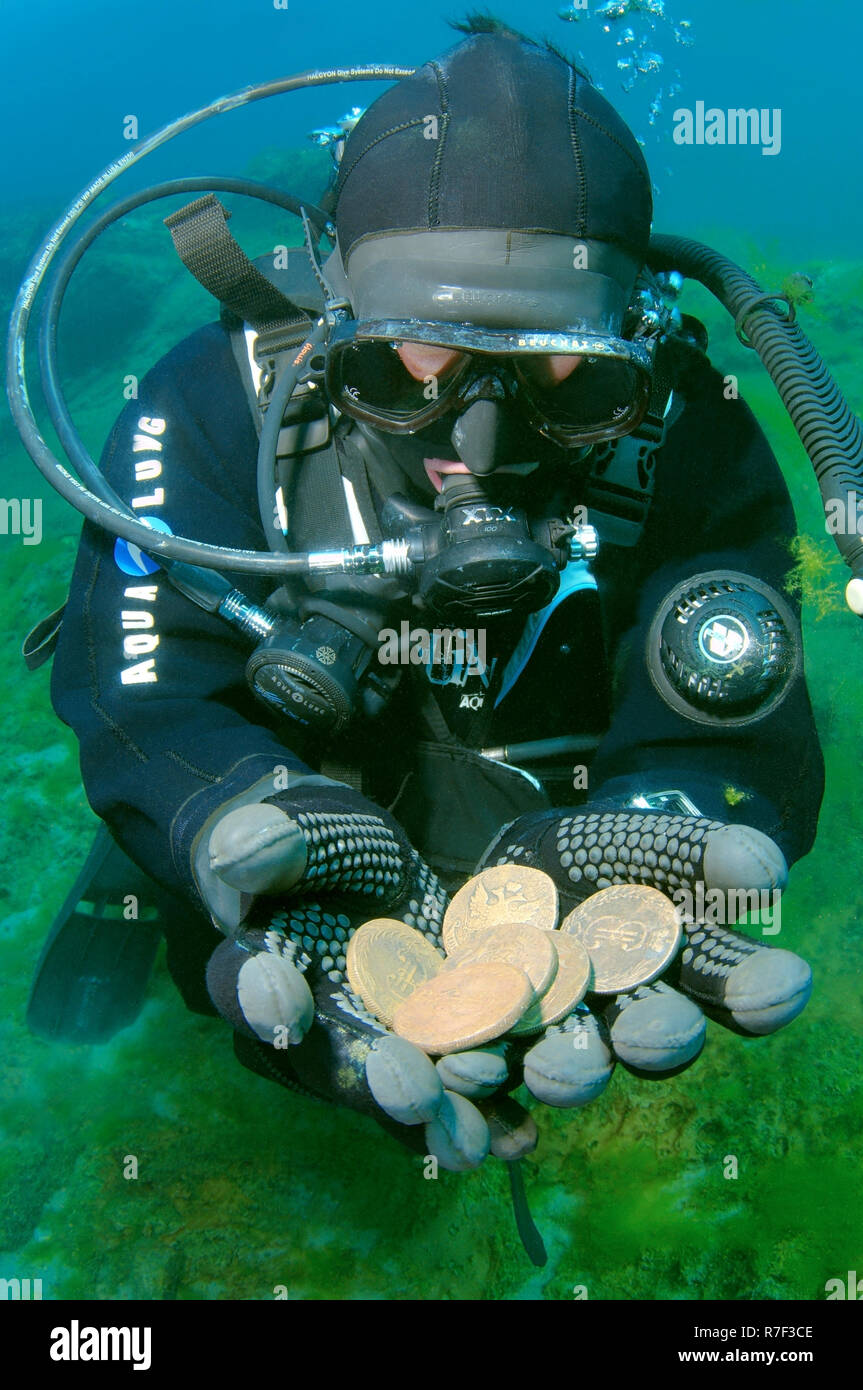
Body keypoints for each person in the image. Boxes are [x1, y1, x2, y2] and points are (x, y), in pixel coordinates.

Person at [45, 17, 824, 1171]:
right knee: (206, 869)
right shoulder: (213, 399)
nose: (482, 439)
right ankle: (170, 863)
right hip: (307, 774)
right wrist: (212, 809)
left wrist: (664, 822)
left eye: (561, 368)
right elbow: (140, 684)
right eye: (419, 357)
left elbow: (737, 716)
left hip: (542, 803)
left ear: (633, 332)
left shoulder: (689, 429)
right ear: (340, 310)